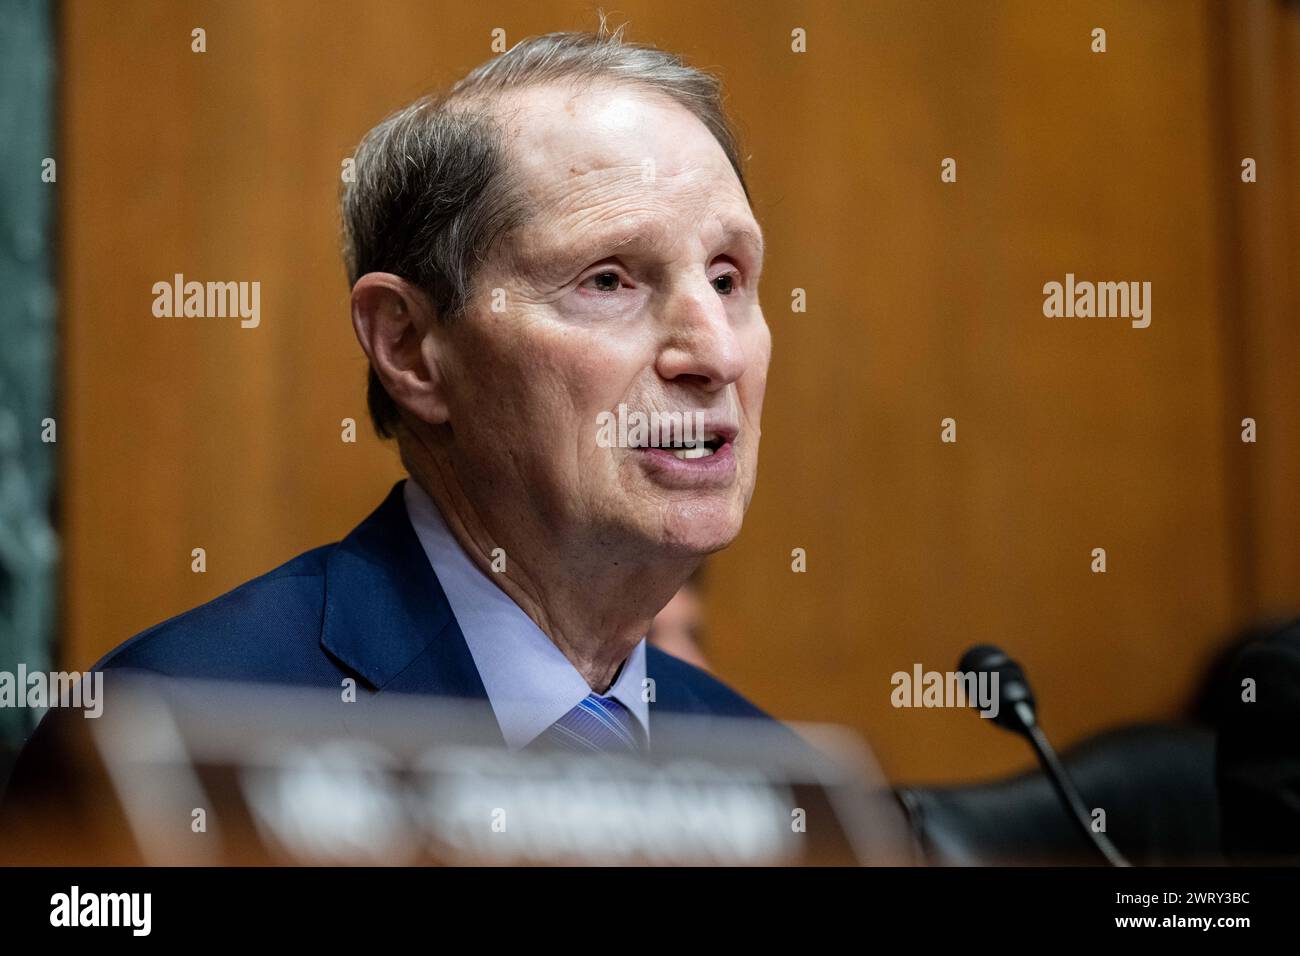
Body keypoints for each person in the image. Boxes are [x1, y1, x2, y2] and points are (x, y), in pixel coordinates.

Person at [6, 24, 782, 782]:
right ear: (410, 348)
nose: (716, 354)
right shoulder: (172, 738)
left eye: (725, 279)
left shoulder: (778, 780)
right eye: (608, 280)